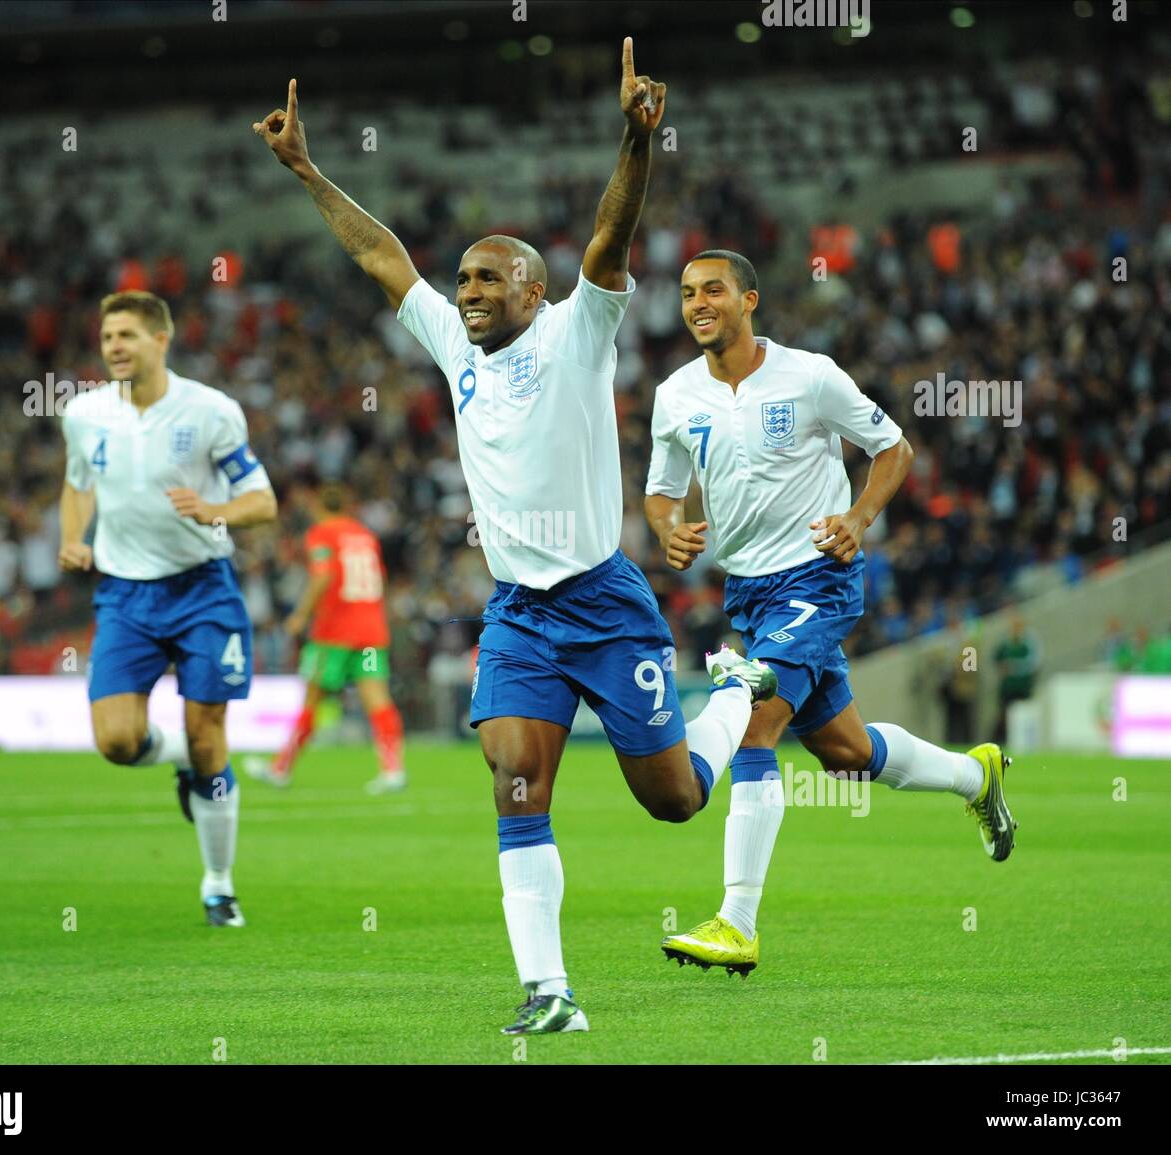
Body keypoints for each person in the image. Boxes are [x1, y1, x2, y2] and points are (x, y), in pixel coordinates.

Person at [253, 42, 775, 1035]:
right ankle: (550, 993)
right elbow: (380, 256)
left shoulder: (580, 331)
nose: (469, 290)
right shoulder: (455, 346)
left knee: (672, 802)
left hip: (604, 602)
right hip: (519, 615)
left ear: (535, 289)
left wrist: (636, 137)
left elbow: (611, 239)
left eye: (488, 277)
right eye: (464, 278)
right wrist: (309, 172)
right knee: (515, 783)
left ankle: (737, 693)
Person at [645, 251, 1017, 977]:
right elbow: (662, 489)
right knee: (844, 753)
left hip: (820, 576)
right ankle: (978, 779)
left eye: (713, 290)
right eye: (687, 292)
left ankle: (736, 920)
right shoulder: (674, 395)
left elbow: (893, 447)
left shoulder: (809, 374)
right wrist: (666, 527)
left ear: (748, 299)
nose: (697, 303)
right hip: (751, 592)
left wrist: (859, 516)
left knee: (757, 713)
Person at [58, 290, 277, 927]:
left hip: (202, 588)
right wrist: (73, 537)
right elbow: (76, 485)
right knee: (118, 742)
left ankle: (218, 884)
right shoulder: (84, 414)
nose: (114, 348)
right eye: (106, 338)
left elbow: (261, 501)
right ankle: (182, 759)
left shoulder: (210, 411)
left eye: (126, 336)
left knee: (209, 734)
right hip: (126, 596)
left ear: (161, 340)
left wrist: (216, 512)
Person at [248, 484, 406, 794]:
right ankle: (393, 771)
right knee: (378, 699)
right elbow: (380, 579)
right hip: (371, 631)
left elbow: (323, 574)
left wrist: (300, 616)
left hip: (334, 633)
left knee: (312, 700)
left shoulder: (321, 534)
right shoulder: (365, 535)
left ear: (320, 506)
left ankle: (281, 769)